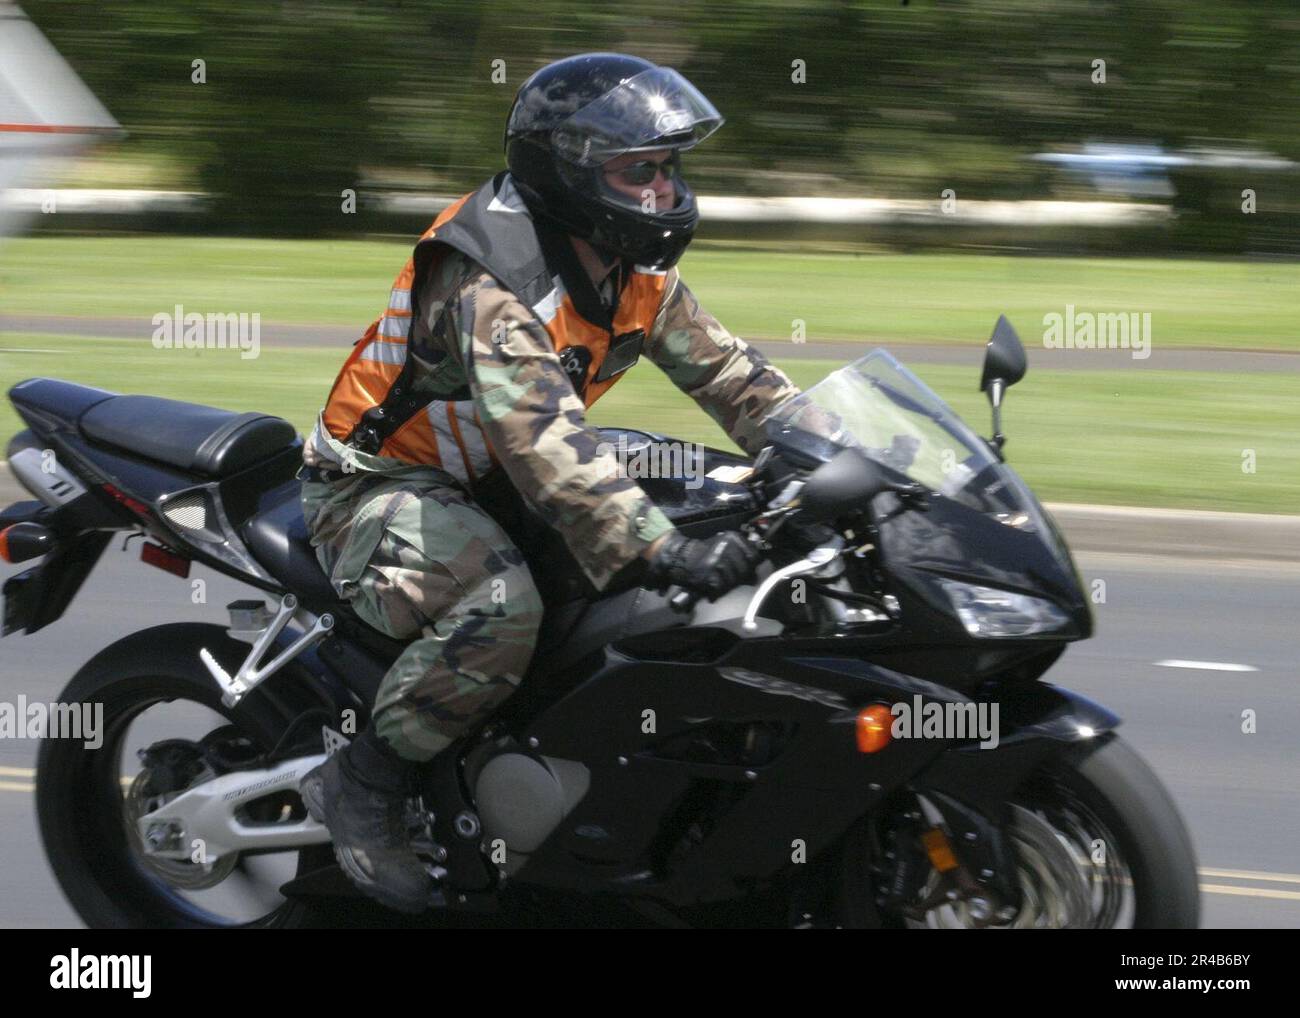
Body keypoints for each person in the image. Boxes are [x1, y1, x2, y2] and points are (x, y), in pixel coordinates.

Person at [297, 51, 810, 913]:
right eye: (636, 170)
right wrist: (664, 553)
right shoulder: (491, 284)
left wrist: (839, 456)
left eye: (667, 168)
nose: (659, 189)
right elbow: (547, 451)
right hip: (377, 486)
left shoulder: (630, 264)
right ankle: (365, 779)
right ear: (568, 171)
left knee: (712, 481)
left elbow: (735, 379)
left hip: (490, 470)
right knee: (505, 606)